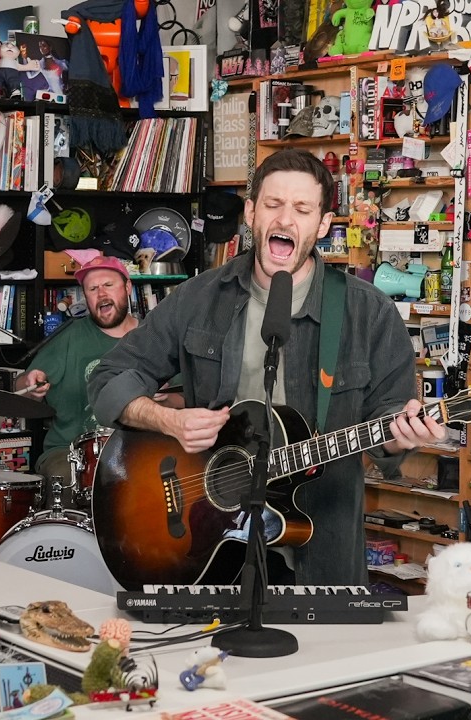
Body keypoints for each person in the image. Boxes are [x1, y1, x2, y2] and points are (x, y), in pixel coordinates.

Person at [87, 149, 446, 585]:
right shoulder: (198, 299)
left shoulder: (368, 313)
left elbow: (389, 430)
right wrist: (166, 419)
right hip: (205, 542)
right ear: (252, 212)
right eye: (273, 205)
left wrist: (401, 437)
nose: (285, 220)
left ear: (323, 224)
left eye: (302, 209)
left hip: (321, 550)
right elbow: (107, 379)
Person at [17, 255, 141, 484]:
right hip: (71, 451)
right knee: (69, 477)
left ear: (128, 287)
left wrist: (164, 397)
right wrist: (30, 383)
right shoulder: (70, 337)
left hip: (142, 449)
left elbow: (181, 398)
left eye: (108, 285)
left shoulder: (153, 336)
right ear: (86, 297)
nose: (102, 294)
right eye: (93, 289)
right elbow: (22, 384)